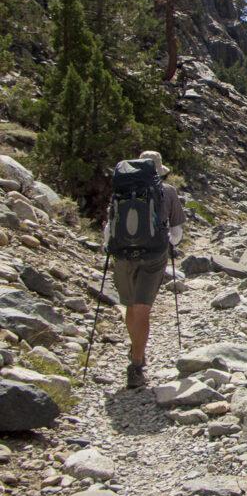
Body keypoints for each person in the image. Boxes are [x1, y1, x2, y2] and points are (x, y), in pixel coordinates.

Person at [103, 150, 185, 389]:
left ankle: (135, 348)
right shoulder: (168, 192)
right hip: (153, 256)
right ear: (160, 171)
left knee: (130, 306)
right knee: (143, 308)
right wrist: (167, 242)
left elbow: (111, 223)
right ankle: (136, 363)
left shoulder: (122, 189)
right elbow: (177, 234)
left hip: (122, 254)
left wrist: (110, 245)